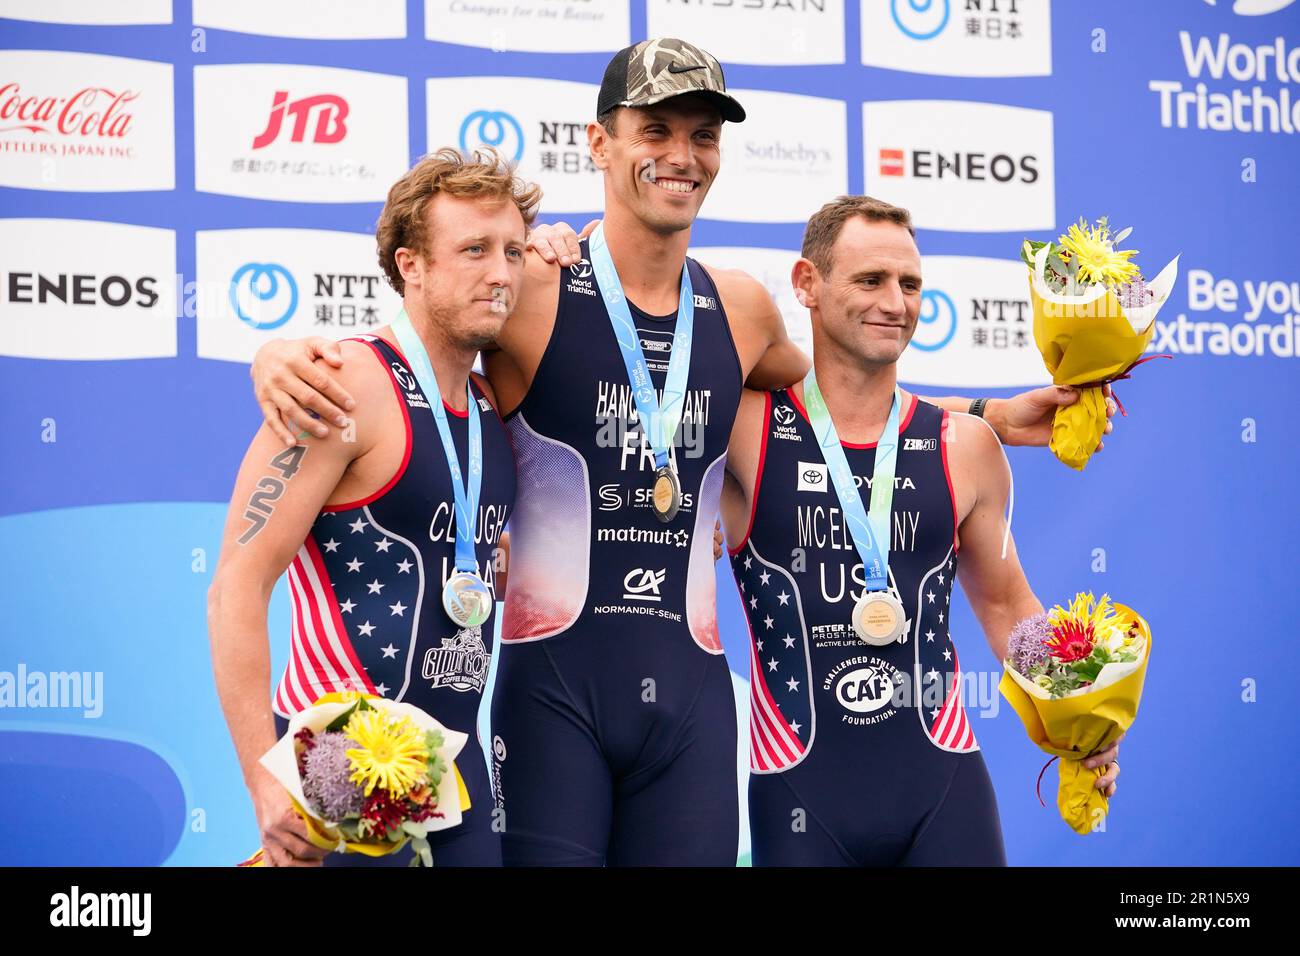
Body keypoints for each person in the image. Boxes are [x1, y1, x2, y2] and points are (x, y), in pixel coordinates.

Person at [245, 39, 1110, 866]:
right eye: (654, 130)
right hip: (551, 698)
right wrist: (279, 356)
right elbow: (418, 331)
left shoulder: (742, 312)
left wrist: (986, 409)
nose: (681, 154)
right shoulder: (530, 285)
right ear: (600, 143)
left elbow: (843, 404)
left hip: (691, 710)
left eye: (702, 135)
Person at [719, 196, 1122, 865]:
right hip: (799, 796)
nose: (895, 302)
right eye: (870, 280)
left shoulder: (965, 446)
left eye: (909, 285)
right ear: (805, 285)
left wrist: (1079, 715)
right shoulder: (744, 430)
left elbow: (1007, 606)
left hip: (944, 790)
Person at [208, 148, 535, 866]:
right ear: (411, 264)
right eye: (474, 249)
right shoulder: (341, 383)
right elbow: (238, 584)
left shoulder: (491, 409)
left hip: (458, 772)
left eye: (513, 251)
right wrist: (266, 778)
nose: (501, 272)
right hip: (338, 766)